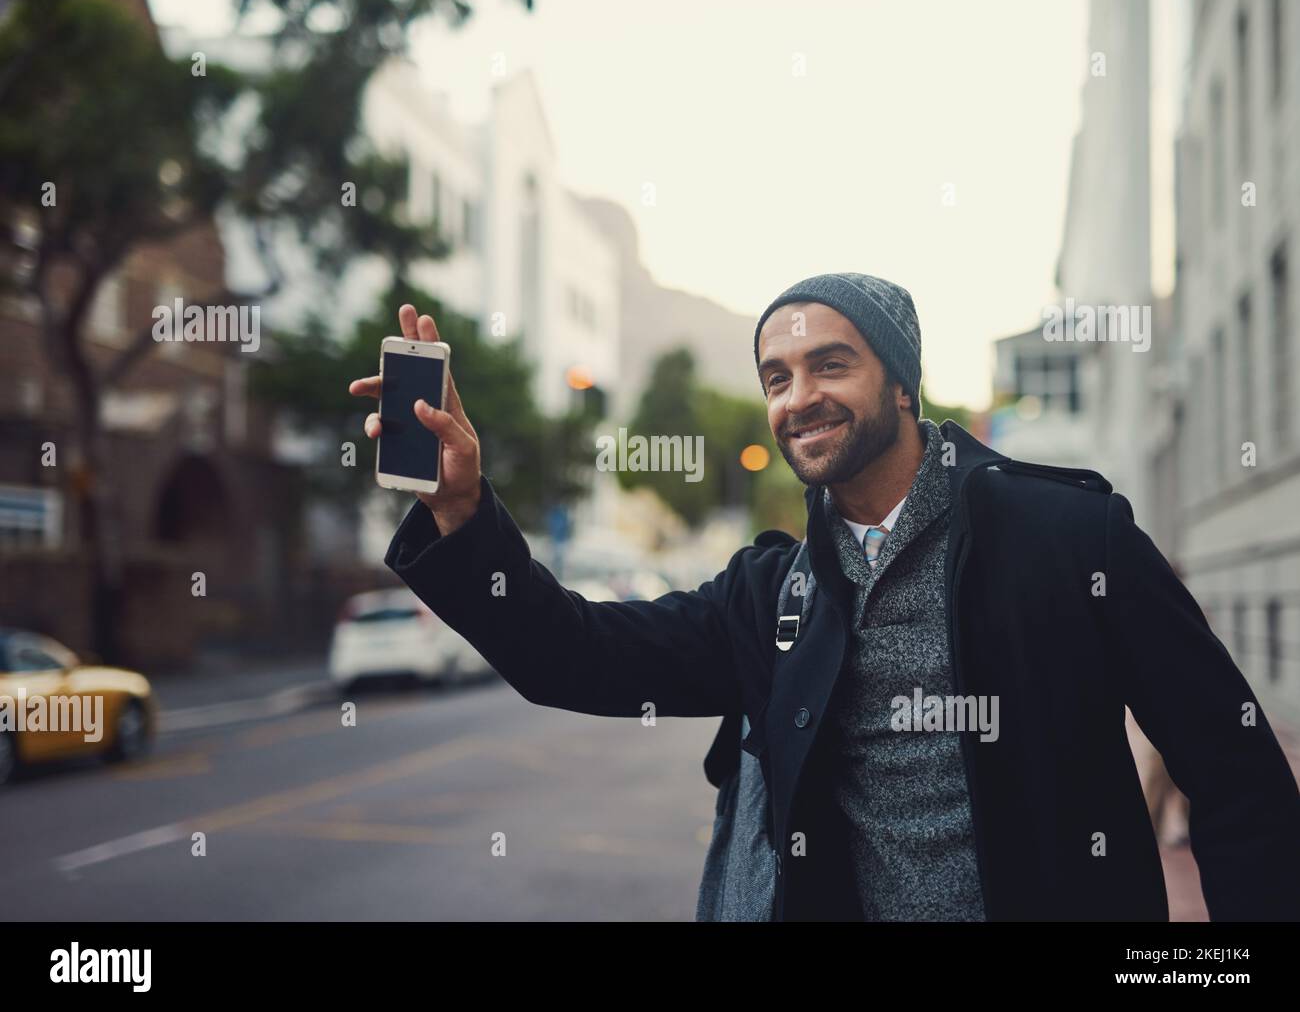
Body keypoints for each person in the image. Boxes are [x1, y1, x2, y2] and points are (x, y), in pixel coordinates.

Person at [349, 275, 1300, 921]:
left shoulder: (1069, 538)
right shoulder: (768, 593)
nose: (798, 395)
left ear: (899, 384)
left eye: (829, 365)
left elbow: (1238, 770)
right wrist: (464, 510)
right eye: (776, 376)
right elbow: (575, 655)